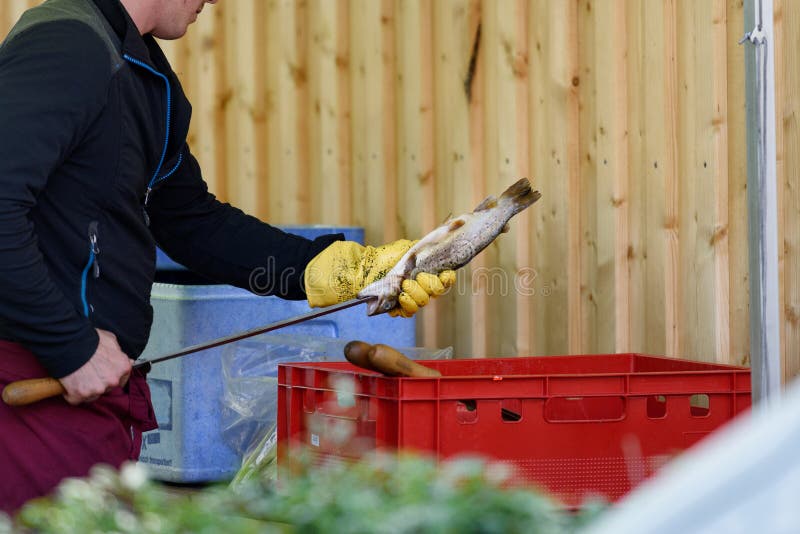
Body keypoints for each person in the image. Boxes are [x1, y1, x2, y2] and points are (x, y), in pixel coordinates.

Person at [0, 0, 454, 513]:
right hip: (34, 382)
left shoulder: (139, 65)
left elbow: (190, 219)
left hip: (90, 390)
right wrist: (70, 346)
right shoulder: (66, 43)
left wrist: (328, 269)